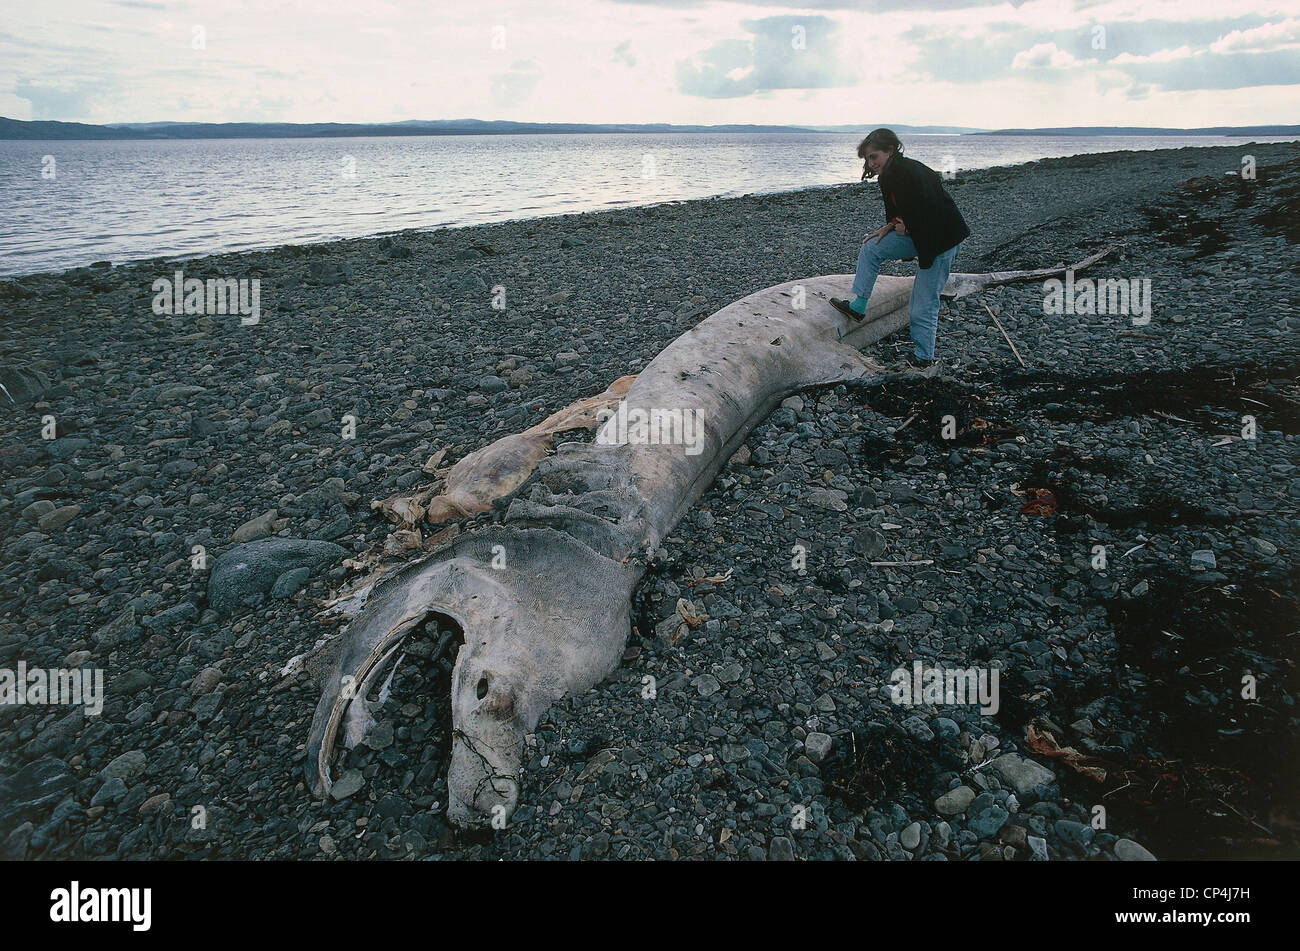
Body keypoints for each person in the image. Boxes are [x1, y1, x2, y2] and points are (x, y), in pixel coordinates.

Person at [830, 128, 970, 368]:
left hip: (941, 241)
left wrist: (910, 228)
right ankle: (858, 307)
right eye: (867, 159)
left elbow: (933, 210)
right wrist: (892, 225)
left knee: (923, 304)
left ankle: (924, 359)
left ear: (890, 150)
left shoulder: (910, 171)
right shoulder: (887, 175)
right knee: (872, 247)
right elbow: (903, 209)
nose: (870, 163)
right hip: (919, 234)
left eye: (874, 156)